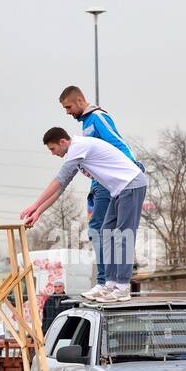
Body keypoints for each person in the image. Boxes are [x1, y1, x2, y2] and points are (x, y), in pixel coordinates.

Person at [21, 128, 147, 302]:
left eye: (52, 149)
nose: (52, 153)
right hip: (119, 190)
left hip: (132, 183)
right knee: (105, 233)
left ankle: (123, 287)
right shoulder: (76, 154)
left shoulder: (78, 146)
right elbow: (60, 188)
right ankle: (109, 284)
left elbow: (59, 178)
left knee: (122, 235)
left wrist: (34, 204)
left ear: (62, 142)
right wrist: (38, 212)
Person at [59, 86, 141, 292]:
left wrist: (130, 168)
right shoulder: (86, 124)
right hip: (99, 184)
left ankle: (106, 281)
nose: (67, 112)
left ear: (79, 100)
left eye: (68, 107)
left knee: (101, 229)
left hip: (113, 182)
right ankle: (107, 281)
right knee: (102, 230)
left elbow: (118, 142)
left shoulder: (97, 117)